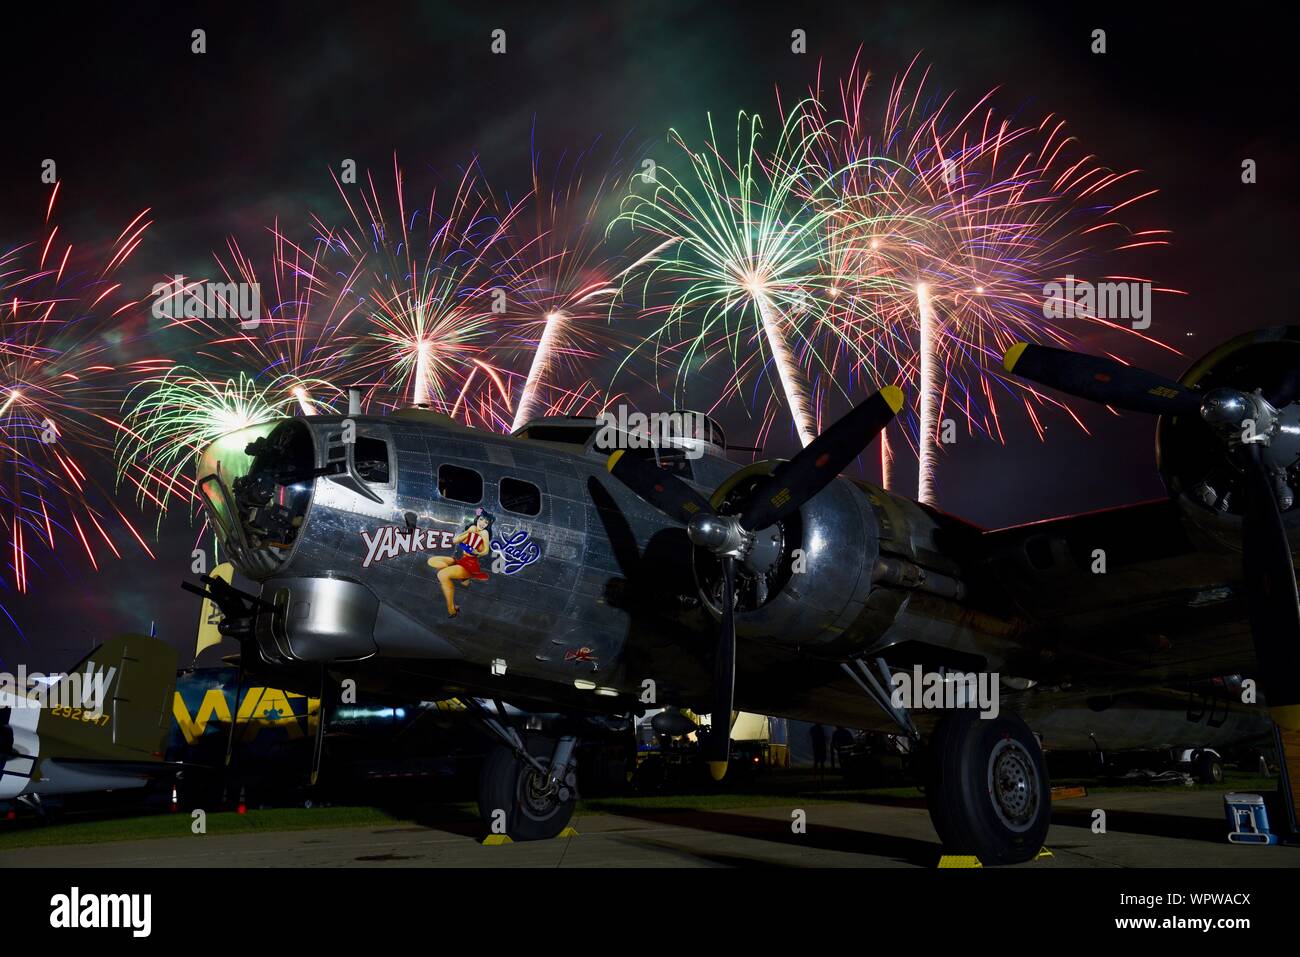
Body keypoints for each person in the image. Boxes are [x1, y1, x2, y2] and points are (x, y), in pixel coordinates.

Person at [427, 509, 493, 617]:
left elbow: (485, 551)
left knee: (442, 575)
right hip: (460, 560)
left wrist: (477, 552)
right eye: (481, 519)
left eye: (486, 522)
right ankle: (462, 578)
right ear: (477, 519)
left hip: (470, 564)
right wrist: (468, 532)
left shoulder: (484, 533)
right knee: (432, 561)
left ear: (488, 525)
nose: (482, 523)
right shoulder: (472, 529)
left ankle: (451, 609)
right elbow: (455, 540)